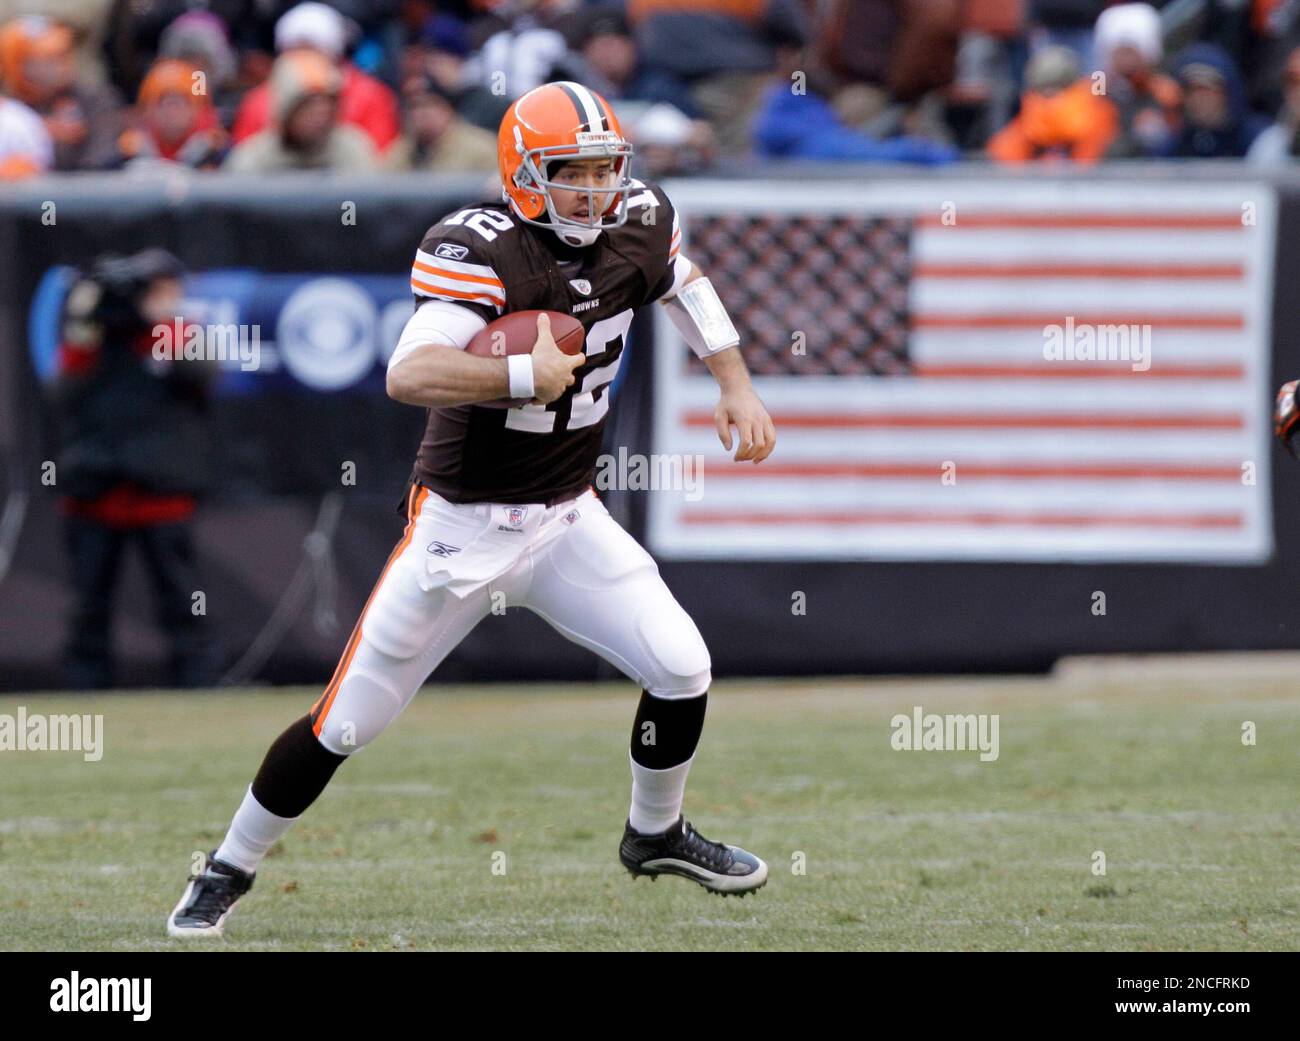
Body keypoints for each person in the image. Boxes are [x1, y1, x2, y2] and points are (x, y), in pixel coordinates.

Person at [168, 80, 776, 937]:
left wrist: (734, 381)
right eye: (572, 173)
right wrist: (520, 375)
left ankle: (655, 831)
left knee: (682, 666)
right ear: (525, 175)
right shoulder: (481, 247)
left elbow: (684, 282)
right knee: (345, 722)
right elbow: (408, 373)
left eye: (606, 171)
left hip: (567, 514)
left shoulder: (639, 218)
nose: (595, 192)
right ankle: (228, 865)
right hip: (461, 527)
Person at [51, 249, 220, 690]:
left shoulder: (175, 335)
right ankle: (85, 689)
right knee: (89, 602)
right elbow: (63, 392)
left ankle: (196, 684)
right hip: (95, 489)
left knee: (182, 599)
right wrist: (85, 322)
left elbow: (202, 374)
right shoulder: (95, 338)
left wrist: (160, 323)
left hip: (161, 490)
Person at [224, 49, 376, 172]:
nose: (320, 116)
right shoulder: (254, 160)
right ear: (286, 110)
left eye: (327, 105)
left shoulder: (353, 152)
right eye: (307, 106)